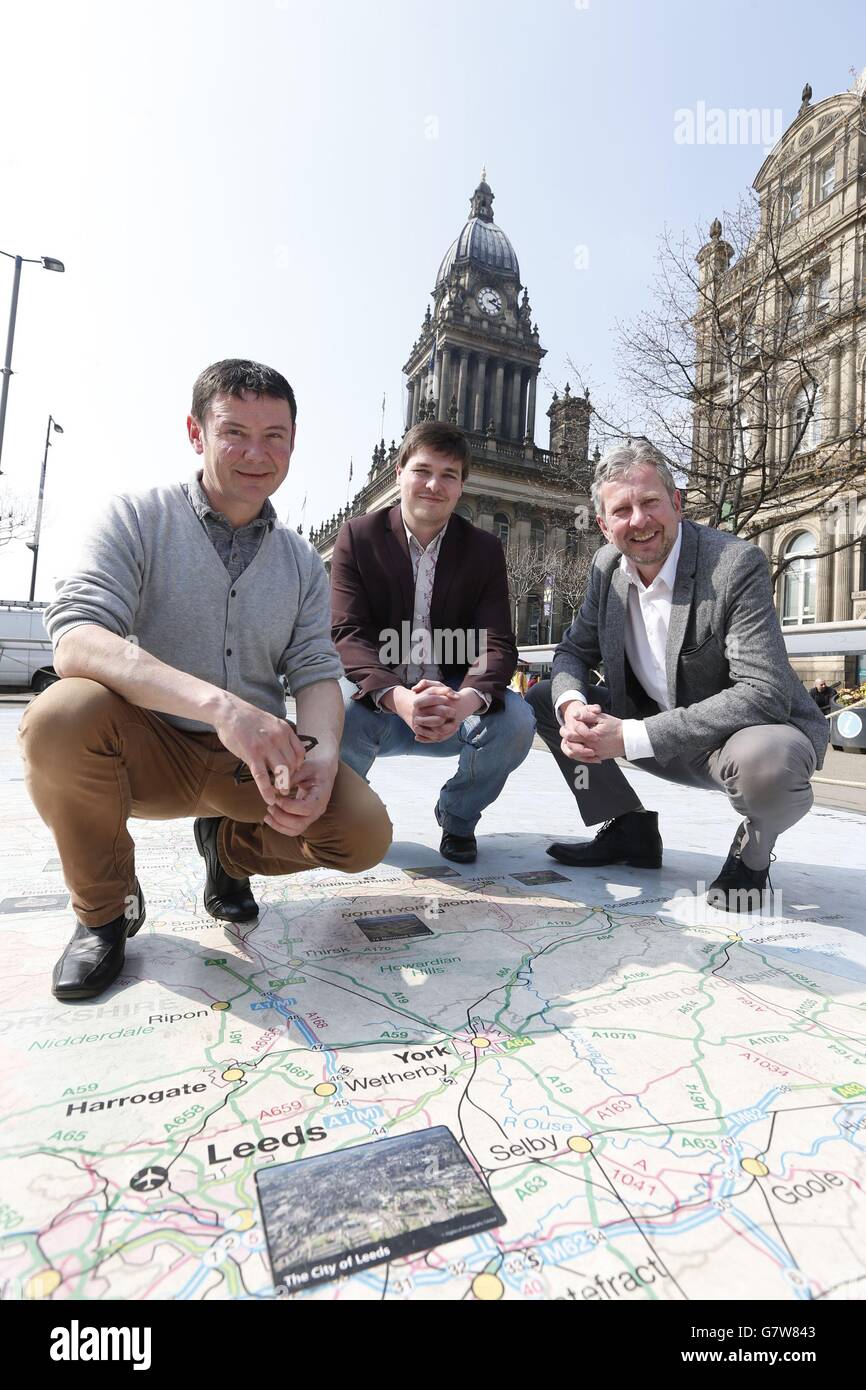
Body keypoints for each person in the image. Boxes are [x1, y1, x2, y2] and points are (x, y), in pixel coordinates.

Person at [18, 359, 392, 1002]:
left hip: (249, 765)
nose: (256, 452)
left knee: (361, 832)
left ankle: (230, 854)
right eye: (234, 431)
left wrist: (325, 757)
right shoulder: (136, 517)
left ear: (294, 442)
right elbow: (77, 634)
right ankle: (103, 912)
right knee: (61, 714)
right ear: (196, 433)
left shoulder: (302, 560)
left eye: (275, 435)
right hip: (146, 748)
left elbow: (315, 671)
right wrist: (221, 707)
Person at [526, 440, 829, 912]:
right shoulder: (606, 567)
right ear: (604, 526)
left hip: (734, 742)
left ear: (678, 503)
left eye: (650, 502)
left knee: (770, 761)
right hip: (651, 728)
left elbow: (763, 693)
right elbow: (572, 652)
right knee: (546, 698)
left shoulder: (734, 564)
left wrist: (630, 736)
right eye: (622, 510)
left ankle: (752, 854)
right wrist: (573, 706)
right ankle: (627, 827)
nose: (640, 520)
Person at [330, 420, 535, 863]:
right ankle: (350, 813)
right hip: (379, 706)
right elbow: (348, 634)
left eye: (449, 475)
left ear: (462, 486)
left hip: (452, 706)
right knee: (336, 707)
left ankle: (458, 817)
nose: (434, 485)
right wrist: (398, 697)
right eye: (423, 470)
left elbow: (496, 641)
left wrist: (466, 700)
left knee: (516, 720)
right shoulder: (357, 537)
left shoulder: (483, 549)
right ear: (399, 471)